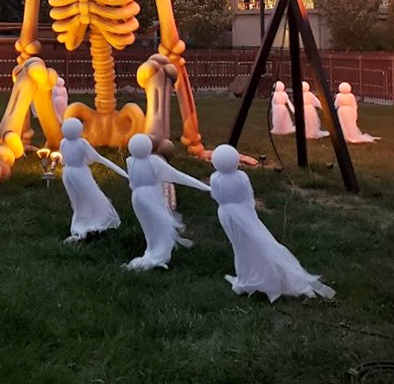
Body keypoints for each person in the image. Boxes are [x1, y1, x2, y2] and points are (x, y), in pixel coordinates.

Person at [210, 144, 335, 302]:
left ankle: (246, 278)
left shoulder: (215, 178)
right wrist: (249, 211)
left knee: (239, 247)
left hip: (226, 215)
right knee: (250, 244)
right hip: (244, 212)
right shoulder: (241, 177)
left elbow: (216, 196)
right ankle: (251, 277)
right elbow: (248, 196)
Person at [125, 133, 210, 271]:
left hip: (137, 197)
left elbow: (131, 183)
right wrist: (205, 187)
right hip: (152, 195)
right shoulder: (154, 161)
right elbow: (178, 176)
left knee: (150, 225)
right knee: (159, 224)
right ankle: (158, 252)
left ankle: (153, 249)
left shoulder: (130, 161)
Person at [59, 118, 127, 242]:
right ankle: (97, 218)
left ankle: (81, 221)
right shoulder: (81, 142)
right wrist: (83, 162)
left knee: (78, 201)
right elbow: (93, 157)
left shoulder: (63, 142)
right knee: (93, 195)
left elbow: (63, 159)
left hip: (68, 174)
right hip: (80, 172)